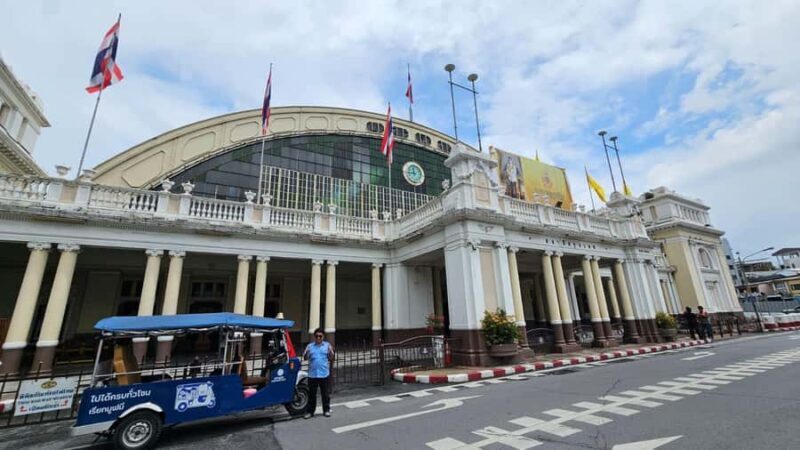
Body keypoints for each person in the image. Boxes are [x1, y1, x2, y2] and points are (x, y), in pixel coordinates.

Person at [303, 328, 334, 419]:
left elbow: (331, 358)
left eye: (320, 336)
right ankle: (310, 412)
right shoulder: (310, 346)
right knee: (312, 395)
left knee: (325, 394)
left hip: (324, 373)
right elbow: (305, 358)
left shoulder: (327, 345)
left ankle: (326, 410)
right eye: (316, 336)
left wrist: (331, 352)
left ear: (323, 337)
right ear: (314, 337)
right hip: (313, 374)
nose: (318, 338)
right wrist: (307, 353)